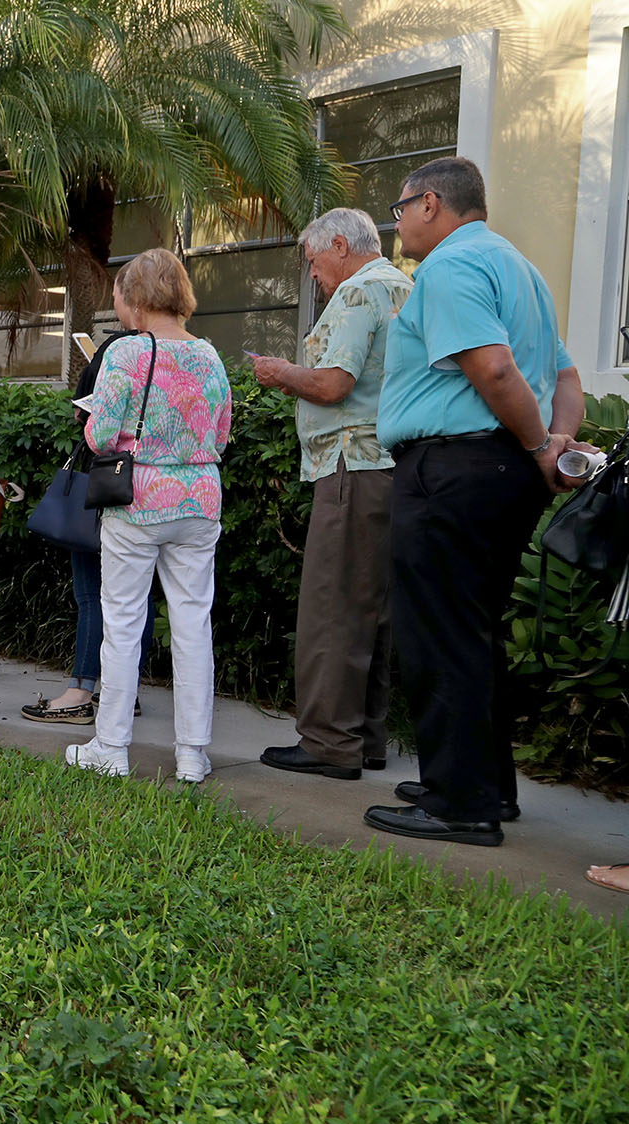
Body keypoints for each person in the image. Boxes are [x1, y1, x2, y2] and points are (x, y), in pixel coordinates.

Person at [364, 156, 596, 847]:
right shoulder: (520, 270)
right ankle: (485, 785)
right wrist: (555, 442)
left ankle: (458, 803)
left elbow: (492, 367)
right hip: (499, 472)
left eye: (401, 207)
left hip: (453, 468)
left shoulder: (450, 267)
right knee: (473, 629)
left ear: (431, 203)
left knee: (437, 632)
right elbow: (567, 375)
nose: (397, 221)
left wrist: (536, 446)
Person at [251, 207, 414, 781]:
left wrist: (278, 371)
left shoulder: (356, 293)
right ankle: (364, 737)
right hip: (394, 464)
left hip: (351, 464)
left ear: (340, 245)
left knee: (332, 606)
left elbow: (331, 383)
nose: (315, 277)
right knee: (372, 607)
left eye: (315, 263)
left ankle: (326, 742)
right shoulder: (404, 287)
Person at [64, 249, 230, 783]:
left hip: (138, 500)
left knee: (124, 621)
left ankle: (111, 747)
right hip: (199, 499)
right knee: (191, 623)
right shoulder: (210, 356)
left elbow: (100, 433)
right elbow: (221, 433)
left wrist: (100, 423)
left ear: (135, 298)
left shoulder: (128, 354)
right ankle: (192, 753)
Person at [19, 330, 161, 725]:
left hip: (103, 486)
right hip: (153, 493)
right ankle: (123, 689)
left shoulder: (117, 349)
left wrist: (88, 414)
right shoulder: (177, 351)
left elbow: (96, 430)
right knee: (139, 597)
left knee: (91, 594)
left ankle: (80, 692)